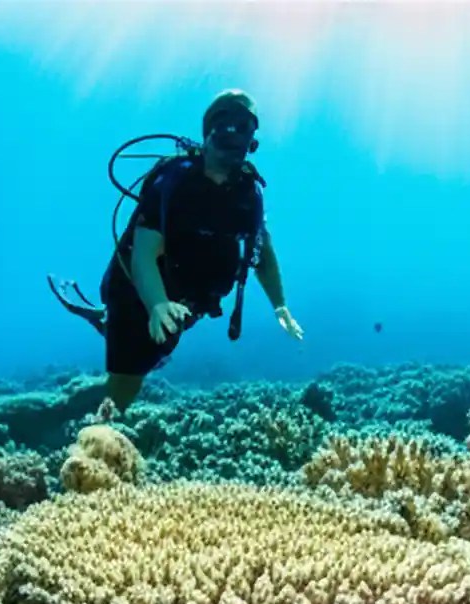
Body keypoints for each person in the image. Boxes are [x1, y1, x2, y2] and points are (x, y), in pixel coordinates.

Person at [49, 89, 304, 411]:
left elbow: (261, 253)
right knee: (126, 384)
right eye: (226, 124)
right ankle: (90, 429)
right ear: (208, 131)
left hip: (185, 302)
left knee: (155, 353)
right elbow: (143, 252)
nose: (234, 135)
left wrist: (280, 306)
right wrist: (156, 304)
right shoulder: (175, 182)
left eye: (245, 127)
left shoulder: (248, 194)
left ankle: (110, 327)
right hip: (134, 290)